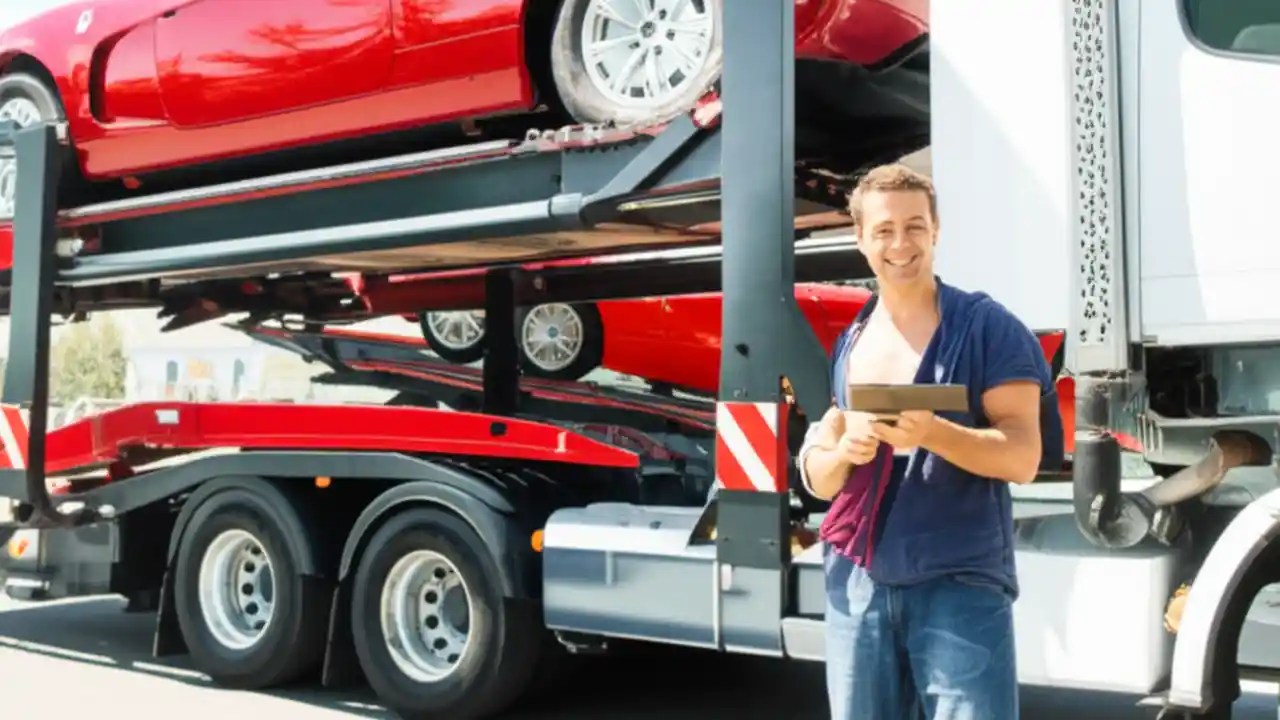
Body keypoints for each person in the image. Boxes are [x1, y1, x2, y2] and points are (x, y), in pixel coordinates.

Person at [798, 164, 1062, 720]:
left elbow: (1022, 457)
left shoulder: (988, 328)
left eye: (915, 226)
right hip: (858, 584)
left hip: (958, 582)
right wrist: (843, 452)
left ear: (936, 231)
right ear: (861, 240)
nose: (900, 243)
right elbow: (822, 477)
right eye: (884, 229)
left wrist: (933, 432)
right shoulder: (851, 339)